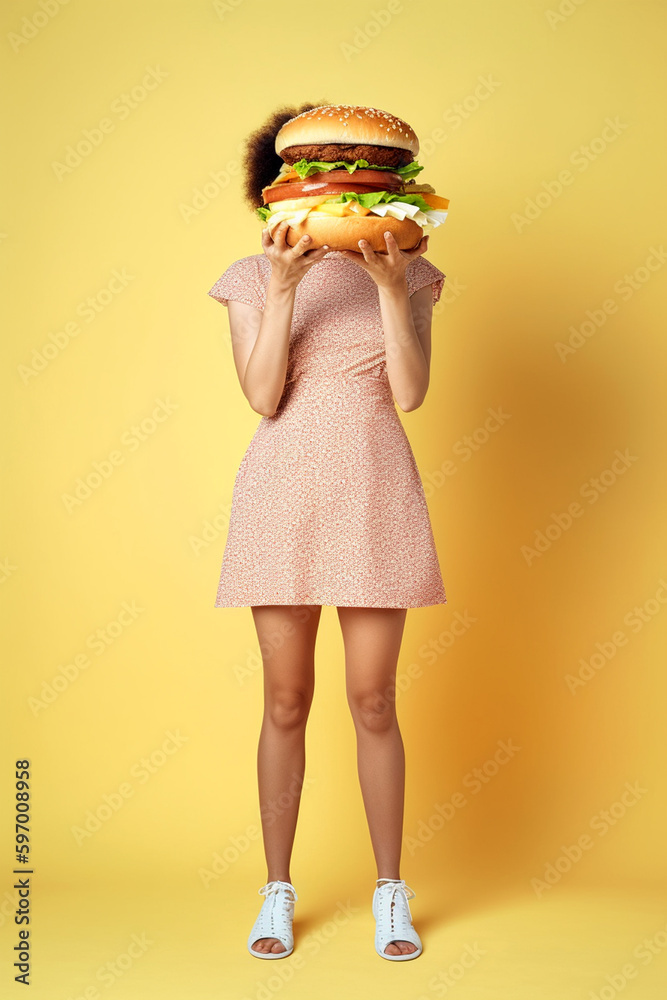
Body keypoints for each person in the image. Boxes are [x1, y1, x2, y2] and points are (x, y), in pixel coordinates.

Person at [207, 103, 448, 962]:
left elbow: (411, 391)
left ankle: (391, 892)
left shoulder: (414, 273)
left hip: (376, 487)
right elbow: (263, 396)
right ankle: (277, 891)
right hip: (281, 491)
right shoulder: (246, 275)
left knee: (374, 701)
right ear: (272, 188)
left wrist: (389, 285)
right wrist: (279, 289)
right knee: (284, 701)